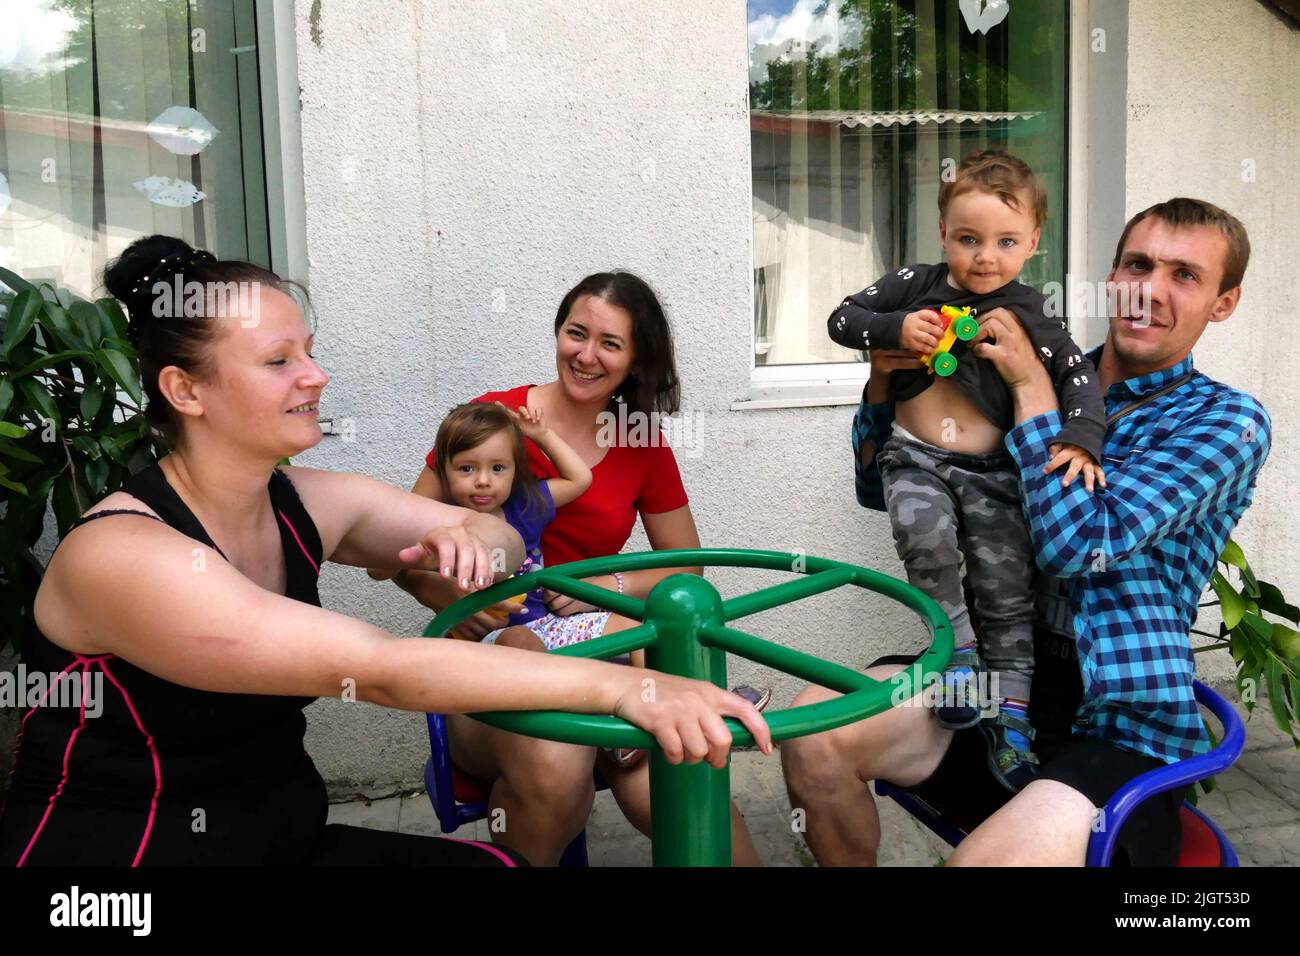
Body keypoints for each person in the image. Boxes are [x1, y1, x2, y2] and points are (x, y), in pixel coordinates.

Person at [0, 237, 771, 867]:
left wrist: (475, 539)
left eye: (310, 350)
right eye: (279, 361)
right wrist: (632, 693)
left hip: (280, 836)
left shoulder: (305, 498)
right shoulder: (124, 553)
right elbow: (378, 667)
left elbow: (503, 536)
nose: (317, 375)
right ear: (186, 390)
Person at [784, 197, 1271, 866]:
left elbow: (1078, 545)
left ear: (1223, 302)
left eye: (1184, 275)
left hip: (1116, 725)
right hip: (994, 687)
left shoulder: (1224, 422)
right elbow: (878, 490)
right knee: (814, 729)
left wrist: (1030, 386)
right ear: (1113, 274)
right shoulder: (1022, 355)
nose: (1150, 290)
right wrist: (882, 386)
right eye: (1138, 264)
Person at [390, 271, 769, 864]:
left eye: (610, 343)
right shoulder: (494, 421)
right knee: (556, 762)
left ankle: (673, 719)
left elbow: (689, 571)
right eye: (576, 333)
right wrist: (452, 604)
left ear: (637, 359)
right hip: (495, 659)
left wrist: (605, 584)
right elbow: (400, 552)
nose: (586, 355)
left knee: (684, 772)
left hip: (591, 650)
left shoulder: (641, 441)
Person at [827, 149, 1107, 787]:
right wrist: (895, 328)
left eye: (1006, 241)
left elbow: (1079, 380)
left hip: (993, 473)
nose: (986, 256)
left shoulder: (1033, 313)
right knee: (925, 540)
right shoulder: (915, 285)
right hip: (915, 458)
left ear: (1034, 241)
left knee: (1007, 595)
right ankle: (956, 653)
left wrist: (1084, 436)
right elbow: (842, 318)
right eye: (969, 239)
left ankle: (1010, 718)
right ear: (943, 236)